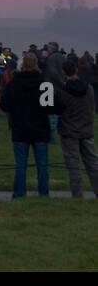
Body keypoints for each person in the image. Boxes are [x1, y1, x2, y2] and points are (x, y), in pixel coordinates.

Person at [0, 53, 55, 199]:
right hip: (40, 128)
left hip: (20, 128)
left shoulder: (14, 83)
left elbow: (4, 105)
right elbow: (51, 107)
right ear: (36, 64)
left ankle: (19, 194)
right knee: (42, 165)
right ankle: (43, 194)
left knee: (20, 165)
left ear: (22, 65)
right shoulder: (44, 84)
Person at [56, 58, 98, 198]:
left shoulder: (62, 91)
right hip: (86, 130)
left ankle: (77, 195)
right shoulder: (89, 89)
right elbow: (91, 109)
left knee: (74, 166)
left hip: (69, 132)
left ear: (63, 72)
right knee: (93, 165)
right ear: (77, 70)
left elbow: (57, 109)